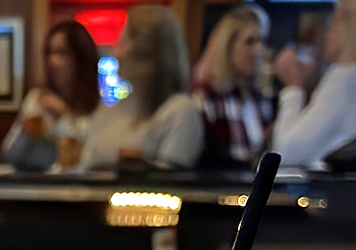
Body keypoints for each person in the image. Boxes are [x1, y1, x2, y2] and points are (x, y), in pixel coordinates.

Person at [80, 6, 202, 170]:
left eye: (122, 43)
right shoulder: (110, 109)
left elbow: (169, 185)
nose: (117, 55)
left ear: (148, 51)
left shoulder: (179, 111)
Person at [2, 20, 99, 170]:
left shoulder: (96, 107)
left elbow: (89, 156)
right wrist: (23, 134)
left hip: (77, 187)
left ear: (81, 58)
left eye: (61, 53)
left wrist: (65, 115)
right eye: (49, 53)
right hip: (37, 187)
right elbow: (8, 155)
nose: (52, 61)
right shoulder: (37, 98)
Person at [272, 0, 356, 167]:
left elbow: (286, 153)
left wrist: (292, 88)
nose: (326, 35)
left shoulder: (345, 80)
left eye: (332, 24)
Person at [192, 5, 275, 169]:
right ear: (227, 46)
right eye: (250, 42)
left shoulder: (260, 101)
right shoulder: (204, 99)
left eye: (262, 41)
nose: (258, 50)